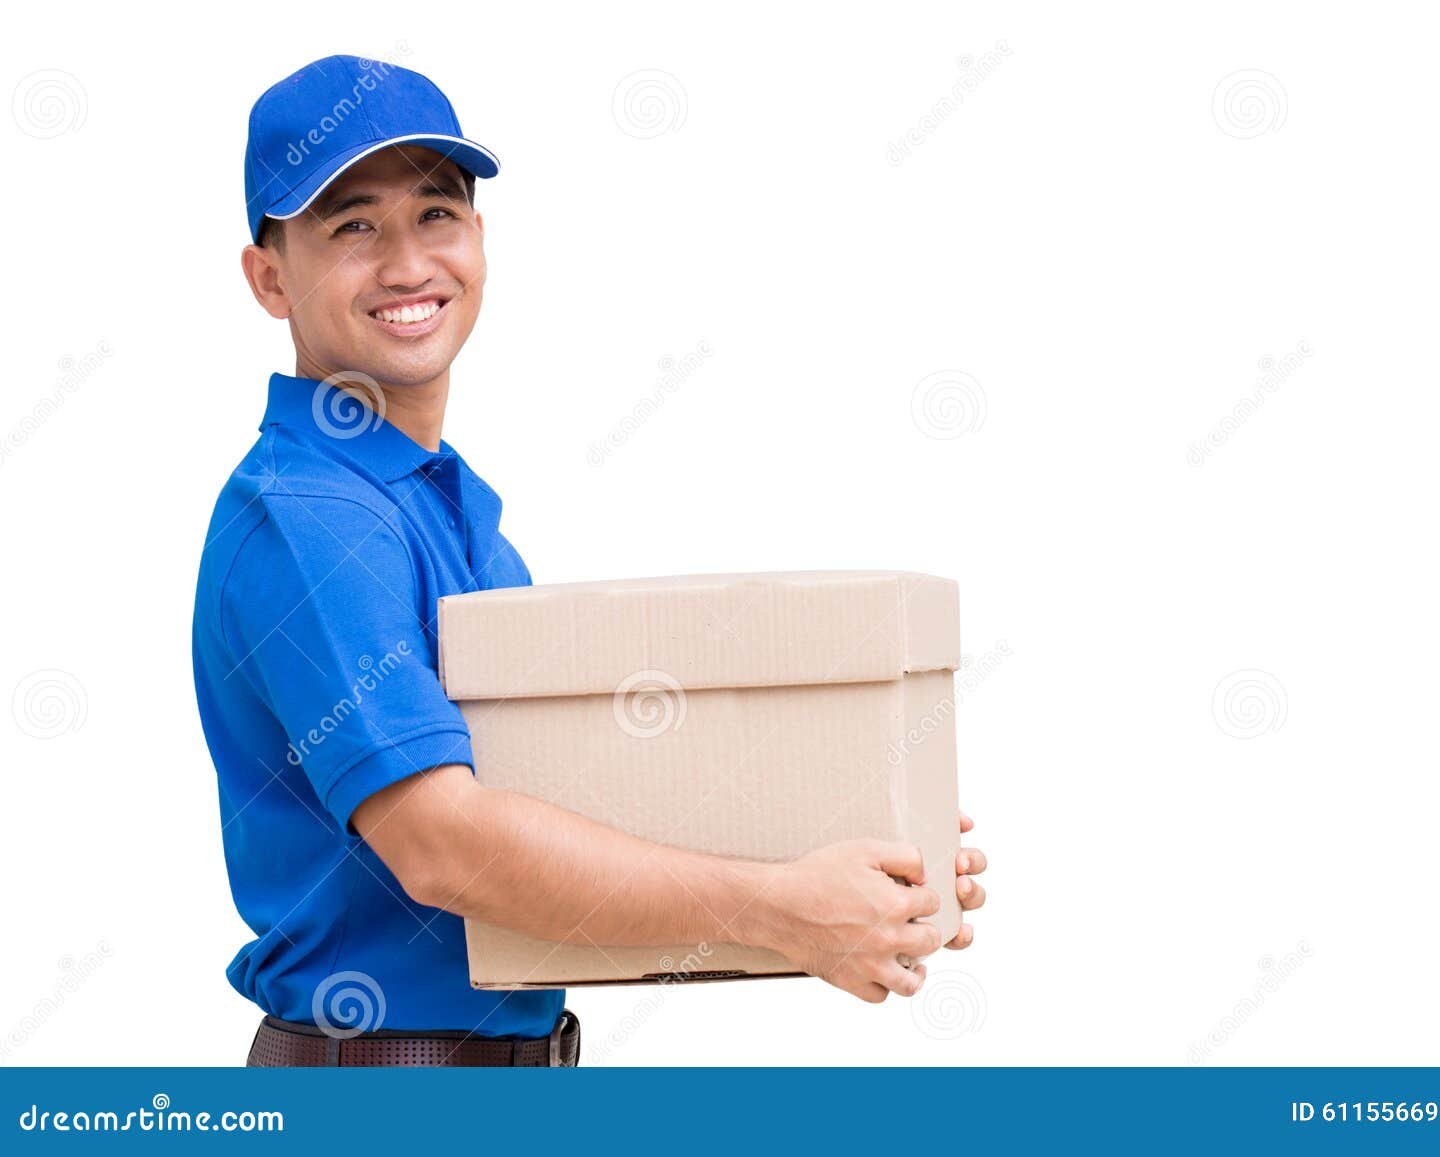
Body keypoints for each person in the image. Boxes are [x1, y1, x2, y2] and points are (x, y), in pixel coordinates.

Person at [192, 54, 989, 1067]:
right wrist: (781, 904)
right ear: (269, 276)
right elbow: (446, 847)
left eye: (436, 213)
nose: (405, 262)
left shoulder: (452, 513)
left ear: (479, 241)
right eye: (352, 225)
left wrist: (856, 871)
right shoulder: (311, 515)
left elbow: (559, 837)